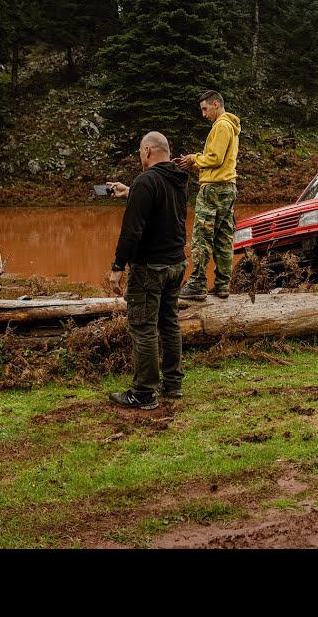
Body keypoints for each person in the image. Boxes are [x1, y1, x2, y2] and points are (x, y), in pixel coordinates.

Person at [104, 131, 189, 410]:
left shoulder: (146, 181)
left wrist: (118, 266)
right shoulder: (179, 178)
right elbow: (161, 205)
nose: (140, 156)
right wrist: (131, 191)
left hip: (150, 267)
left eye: (141, 151)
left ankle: (143, 393)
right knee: (169, 322)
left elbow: (132, 230)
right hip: (176, 264)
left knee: (143, 328)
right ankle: (173, 384)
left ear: (147, 151)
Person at [175, 90, 240, 301]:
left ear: (215, 104)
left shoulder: (221, 126)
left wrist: (194, 158)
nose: (204, 114)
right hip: (227, 187)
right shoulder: (230, 126)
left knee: (202, 237)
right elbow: (217, 163)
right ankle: (222, 285)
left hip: (213, 190)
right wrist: (193, 165)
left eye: (205, 109)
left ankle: (197, 284)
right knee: (223, 238)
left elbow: (215, 158)